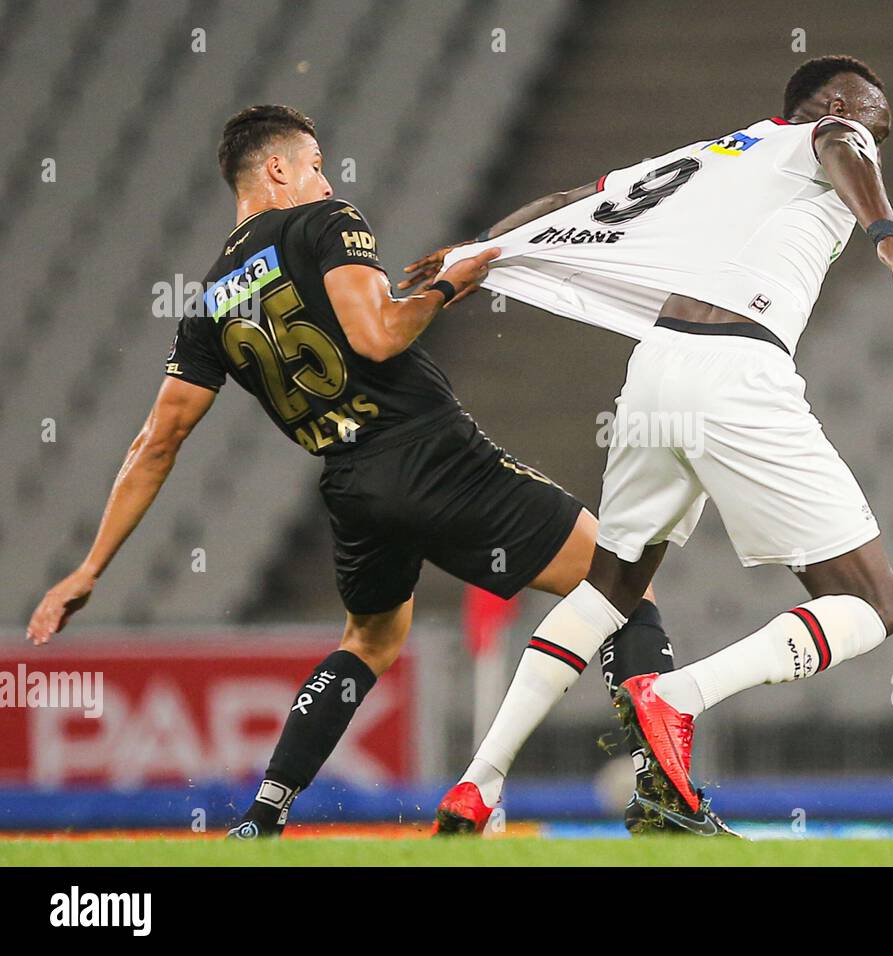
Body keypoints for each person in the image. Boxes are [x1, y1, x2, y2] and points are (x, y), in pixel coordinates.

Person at [26, 104, 681, 838]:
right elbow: (376, 336)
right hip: (432, 452)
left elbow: (156, 440)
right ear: (278, 169)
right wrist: (452, 284)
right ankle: (662, 788)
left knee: (368, 642)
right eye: (312, 164)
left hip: (352, 485)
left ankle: (264, 813)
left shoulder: (209, 299)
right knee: (625, 581)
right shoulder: (326, 222)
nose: (324, 177)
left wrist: (89, 568)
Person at [407, 55, 893, 823]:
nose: (876, 141)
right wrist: (889, 238)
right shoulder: (831, 136)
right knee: (873, 603)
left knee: (610, 589)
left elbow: (570, 201)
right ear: (830, 107)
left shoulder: (708, 157)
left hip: (656, 370)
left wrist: (474, 250)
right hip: (737, 369)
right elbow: (843, 144)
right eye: (876, 125)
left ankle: (479, 780)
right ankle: (676, 696)